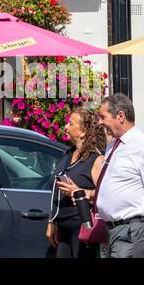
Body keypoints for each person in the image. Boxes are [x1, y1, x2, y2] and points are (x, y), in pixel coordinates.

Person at [95, 93, 144, 258]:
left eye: (103, 117)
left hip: (130, 232)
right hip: (112, 231)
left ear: (120, 116)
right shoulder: (113, 145)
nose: (100, 122)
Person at [49, 107, 108, 258]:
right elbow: (55, 192)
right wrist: (52, 221)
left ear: (83, 131)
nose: (66, 127)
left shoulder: (96, 159)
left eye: (70, 123)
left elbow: (106, 195)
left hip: (83, 227)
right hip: (63, 226)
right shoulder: (68, 154)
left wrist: (79, 191)